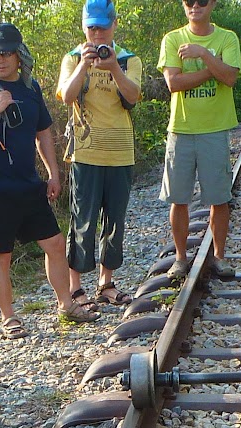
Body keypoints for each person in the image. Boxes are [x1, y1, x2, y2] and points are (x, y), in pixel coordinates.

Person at [0, 22, 100, 339]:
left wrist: (53, 172)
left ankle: (66, 305)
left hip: (28, 184)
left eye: (6, 53)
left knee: (55, 244)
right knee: (1, 256)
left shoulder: (30, 88)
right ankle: (9, 319)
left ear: (19, 55)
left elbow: (43, 132)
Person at [57, 0, 142, 310]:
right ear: (84, 27)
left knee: (114, 222)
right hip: (85, 153)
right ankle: (76, 287)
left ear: (114, 25)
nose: (97, 34)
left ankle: (106, 283)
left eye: (103, 27)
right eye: (92, 27)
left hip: (120, 154)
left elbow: (132, 97)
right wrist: (84, 64)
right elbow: (67, 96)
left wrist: (114, 68)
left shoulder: (129, 60)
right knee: (83, 220)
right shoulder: (71, 58)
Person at [158, 0, 241, 281]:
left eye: (202, 1)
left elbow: (230, 78)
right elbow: (174, 84)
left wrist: (203, 54)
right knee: (178, 199)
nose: (195, 6)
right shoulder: (172, 38)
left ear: (213, 4)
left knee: (219, 198)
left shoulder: (227, 37)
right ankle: (181, 259)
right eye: (189, 2)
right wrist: (213, 68)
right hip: (181, 129)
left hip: (215, 129)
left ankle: (219, 258)